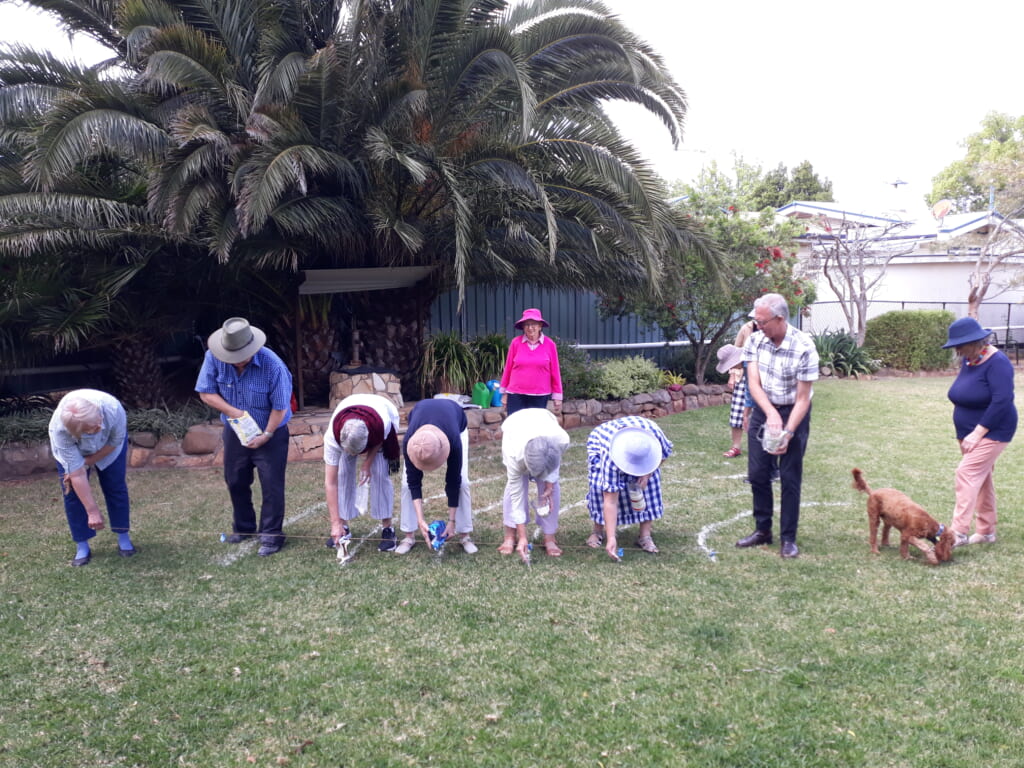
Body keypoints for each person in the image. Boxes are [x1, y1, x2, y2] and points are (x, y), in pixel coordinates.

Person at [196, 317, 293, 557]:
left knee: (271, 484)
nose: (236, 362)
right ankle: (244, 527)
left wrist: (266, 435)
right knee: (235, 479)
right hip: (235, 430)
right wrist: (235, 413)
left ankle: (271, 535)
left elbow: (280, 408)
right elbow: (206, 393)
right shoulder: (213, 357)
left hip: (272, 430)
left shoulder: (274, 366)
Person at [736, 293, 818, 559]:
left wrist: (788, 431)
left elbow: (803, 398)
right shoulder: (756, 341)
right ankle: (763, 531)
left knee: (790, 476)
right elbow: (753, 384)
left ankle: (788, 539)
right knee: (758, 473)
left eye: (762, 322)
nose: (758, 326)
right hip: (765, 408)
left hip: (795, 411)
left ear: (780, 318)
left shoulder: (804, 347)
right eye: (756, 321)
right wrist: (770, 414)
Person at [943, 317, 1017, 546]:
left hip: (994, 430)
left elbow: (1002, 400)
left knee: (965, 473)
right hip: (966, 431)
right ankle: (986, 532)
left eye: (960, 345)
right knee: (981, 478)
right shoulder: (970, 360)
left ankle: (958, 533)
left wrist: (977, 433)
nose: (957, 350)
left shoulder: (998, 363)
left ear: (975, 342)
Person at [48, 390, 135, 566]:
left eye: (99, 422)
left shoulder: (112, 408)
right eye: (92, 429)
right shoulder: (60, 432)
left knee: (115, 486)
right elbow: (77, 474)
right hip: (74, 451)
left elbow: (114, 441)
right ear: (75, 432)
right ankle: (82, 546)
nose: (99, 428)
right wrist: (92, 511)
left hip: (110, 447)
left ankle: (123, 538)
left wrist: (88, 461)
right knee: (72, 493)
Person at [585, 416, 673, 561]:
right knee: (599, 487)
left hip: (642, 440)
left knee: (649, 484)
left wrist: (647, 473)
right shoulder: (609, 455)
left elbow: (663, 453)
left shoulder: (653, 432)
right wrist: (611, 538)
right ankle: (598, 531)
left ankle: (645, 536)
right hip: (601, 441)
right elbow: (610, 501)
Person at [396, 398, 477, 554]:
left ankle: (465, 535)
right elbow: (413, 482)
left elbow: (453, 481)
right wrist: (420, 520)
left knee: (463, 483)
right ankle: (408, 536)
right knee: (406, 484)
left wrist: (451, 521)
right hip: (422, 424)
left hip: (455, 422)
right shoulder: (411, 442)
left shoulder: (453, 439)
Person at [323, 393, 401, 552]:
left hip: (382, 413)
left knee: (380, 473)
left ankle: (388, 530)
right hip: (350, 413)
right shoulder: (332, 437)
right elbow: (330, 483)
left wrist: (367, 462)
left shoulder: (381, 424)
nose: (354, 456)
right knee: (343, 474)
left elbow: (379, 440)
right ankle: (343, 527)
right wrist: (334, 523)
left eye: (357, 452)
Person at [499, 407, 571, 559]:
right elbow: (516, 496)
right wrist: (523, 536)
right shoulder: (514, 453)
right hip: (516, 425)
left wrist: (549, 485)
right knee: (513, 490)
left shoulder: (561, 440)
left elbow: (553, 464)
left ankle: (549, 537)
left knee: (553, 489)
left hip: (544, 420)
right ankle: (510, 535)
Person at [499, 308, 563, 416]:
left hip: (540, 395)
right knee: (515, 427)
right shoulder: (515, 343)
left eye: (533, 324)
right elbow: (508, 368)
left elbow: (555, 371)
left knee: (535, 429)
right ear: (523, 327)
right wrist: (504, 393)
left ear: (540, 326)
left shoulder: (550, 344)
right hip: (516, 394)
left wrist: (557, 396)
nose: (530, 328)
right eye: (526, 324)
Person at [717, 343, 745, 457]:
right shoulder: (738, 365)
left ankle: (761, 448)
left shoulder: (754, 358)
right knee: (736, 415)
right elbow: (736, 368)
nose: (730, 367)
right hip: (741, 384)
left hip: (758, 386)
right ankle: (736, 447)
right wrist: (733, 375)